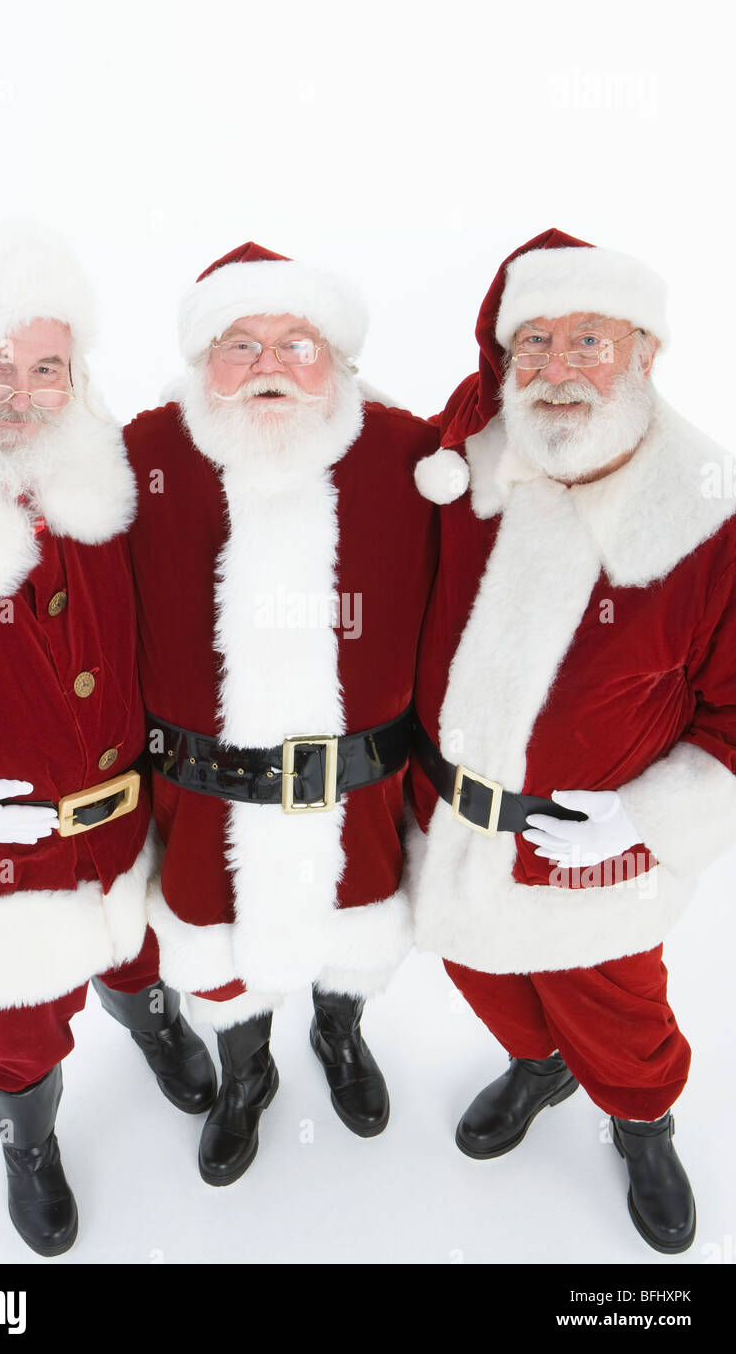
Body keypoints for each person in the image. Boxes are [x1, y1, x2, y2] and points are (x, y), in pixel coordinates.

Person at [0, 223, 214, 1256]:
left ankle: (144, 1009)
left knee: (135, 943)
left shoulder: (103, 478)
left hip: (128, 826)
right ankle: (26, 1137)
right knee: (11, 1027)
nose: (21, 393)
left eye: (46, 366)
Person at [408, 227, 736, 1255]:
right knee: (484, 977)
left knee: (619, 1013)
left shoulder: (704, 517)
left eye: (586, 340)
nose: (556, 369)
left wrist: (644, 820)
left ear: (642, 352)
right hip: (448, 827)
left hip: (591, 858)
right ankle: (537, 1062)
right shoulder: (458, 458)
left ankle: (640, 1123)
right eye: (533, 342)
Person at [127, 242, 438, 1184]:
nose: (267, 363)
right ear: (199, 364)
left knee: (356, 936)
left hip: (363, 787)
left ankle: (338, 1036)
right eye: (239, 344)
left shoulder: (410, 452)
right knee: (222, 956)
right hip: (201, 791)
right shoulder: (139, 455)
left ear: (338, 358)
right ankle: (245, 1072)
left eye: (294, 341)